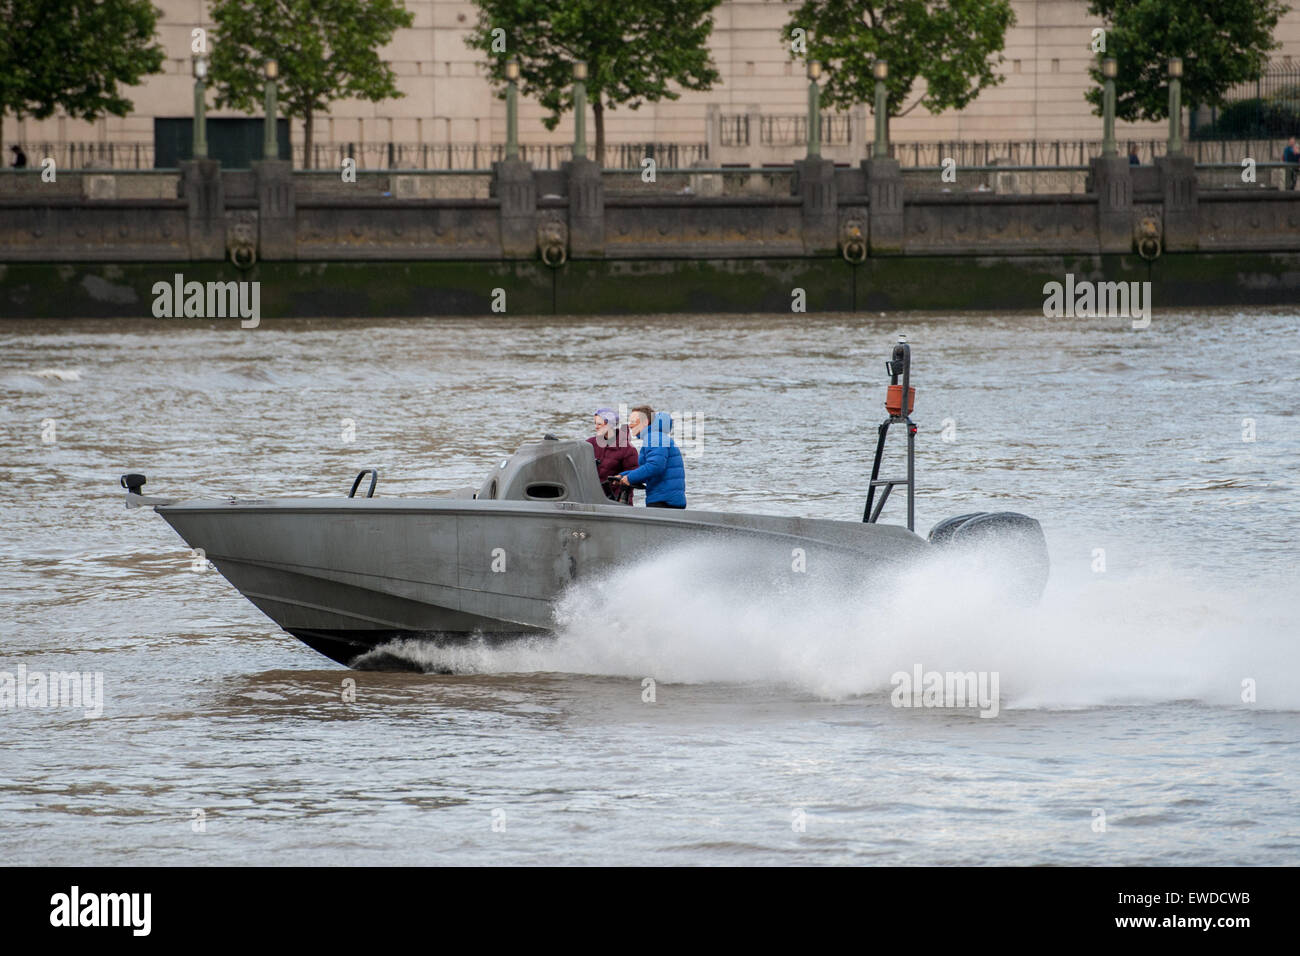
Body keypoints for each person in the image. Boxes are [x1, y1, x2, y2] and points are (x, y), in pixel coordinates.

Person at [615, 405, 686, 509]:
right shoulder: (656, 436)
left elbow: (655, 466)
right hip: (667, 499)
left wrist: (630, 478)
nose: (630, 426)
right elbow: (649, 470)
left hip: (664, 501)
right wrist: (623, 476)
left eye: (634, 421)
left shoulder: (654, 437)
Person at [587, 407, 638, 504]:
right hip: (591, 499)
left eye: (599, 424)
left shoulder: (627, 449)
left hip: (616, 501)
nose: (596, 427)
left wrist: (622, 501)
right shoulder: (590, 443)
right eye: (595, 423)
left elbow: (632, 477)